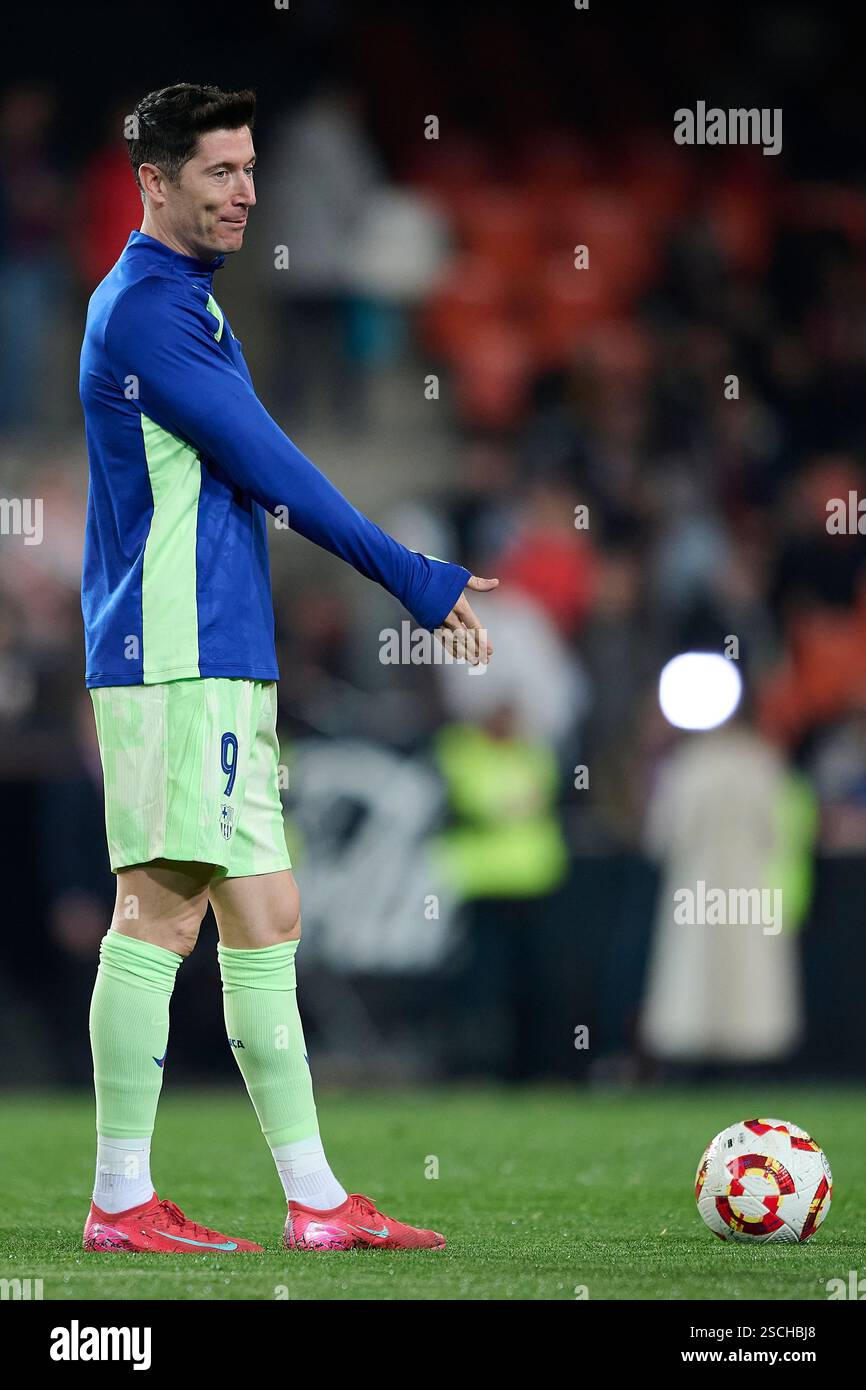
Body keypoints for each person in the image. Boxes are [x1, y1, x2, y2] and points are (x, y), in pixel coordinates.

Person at [78, 82, 496, 1254]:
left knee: (266, 914)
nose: (245, 192)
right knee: (157, 913)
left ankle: (315, 1199)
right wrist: (412, 573)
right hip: (173, 651)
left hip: (220, 649)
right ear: (153, 182)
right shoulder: (148, 311)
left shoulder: (193, 307)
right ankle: (119, 1199)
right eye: (218, 172)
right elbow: (276, 470)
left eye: (251, 168)